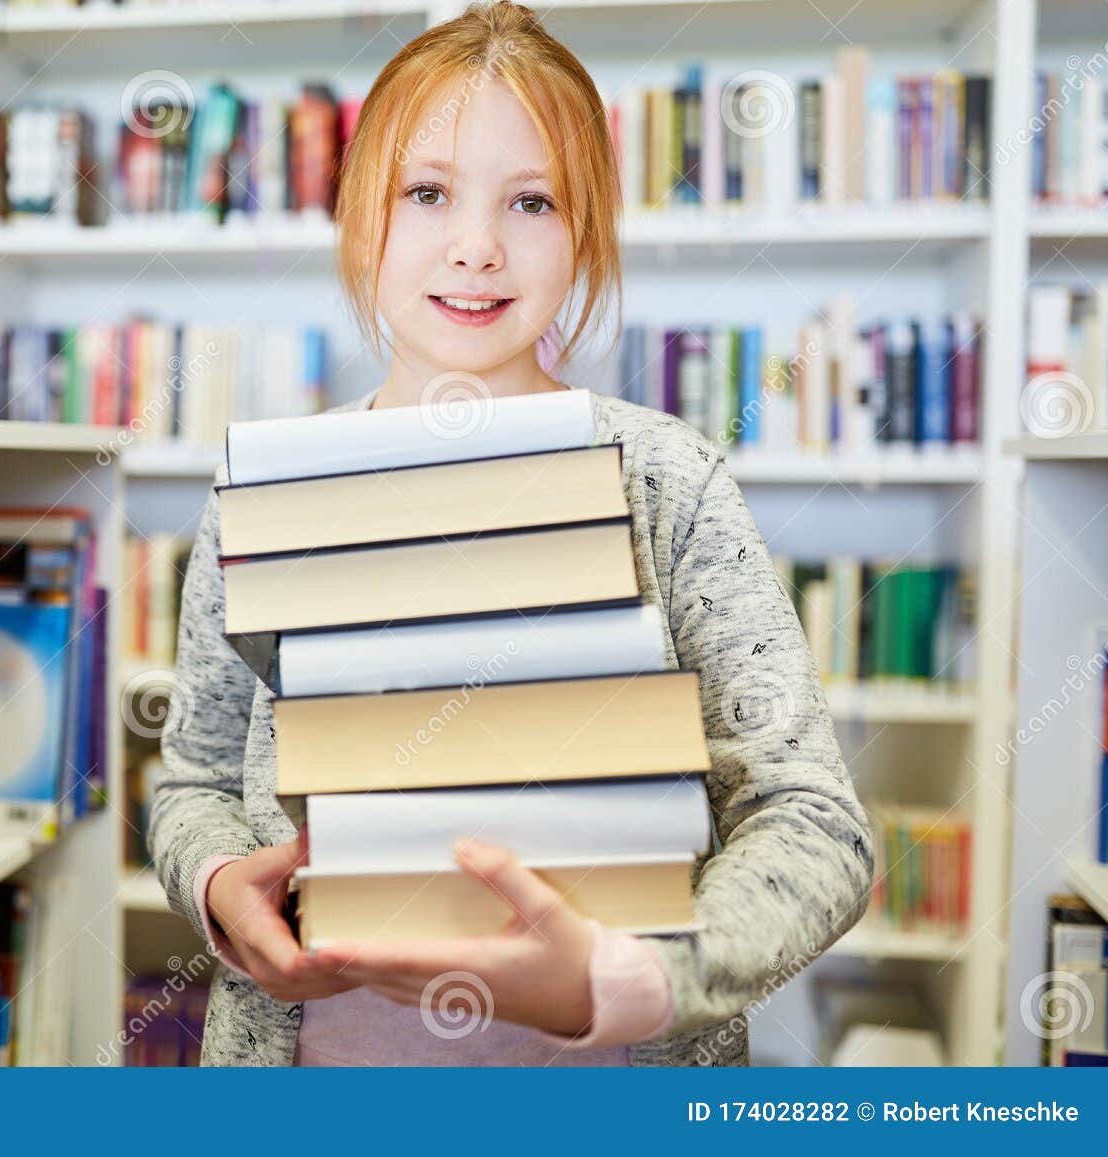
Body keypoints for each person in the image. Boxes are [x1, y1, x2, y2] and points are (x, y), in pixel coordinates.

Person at [148, 0, 874, 1066]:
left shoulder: (666, 482)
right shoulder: (260, 490)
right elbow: (195, 781)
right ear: (360, 212)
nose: (476, 247)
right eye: (428, 192)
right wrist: (218, 883)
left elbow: (813, 820)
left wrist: (634, 977)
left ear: (584, 232)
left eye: (532, 201)